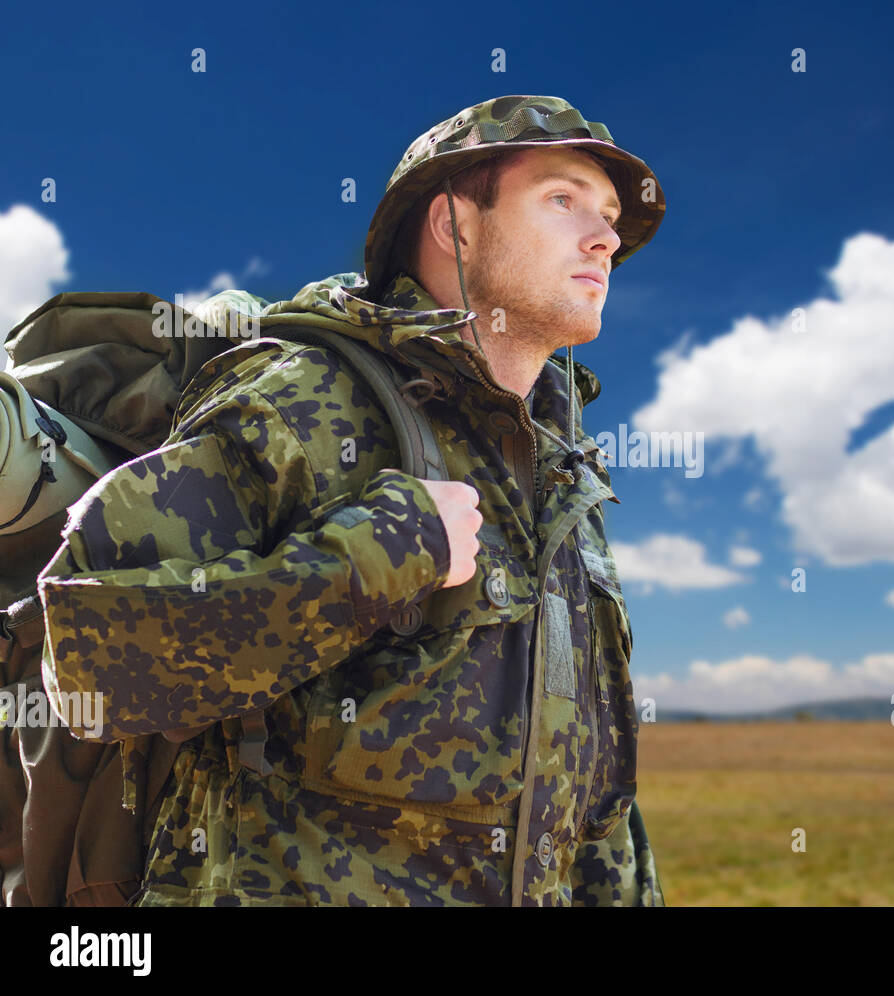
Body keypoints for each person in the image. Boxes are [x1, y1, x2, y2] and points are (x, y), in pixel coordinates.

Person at [36, 94, 667, 906]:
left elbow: (593, 796)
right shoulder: (300, 404)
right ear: (453, 224)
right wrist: (374, 561)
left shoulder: (560, 478)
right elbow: (92, 668)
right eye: (562, 200)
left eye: (611, 217)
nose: (605, 236)